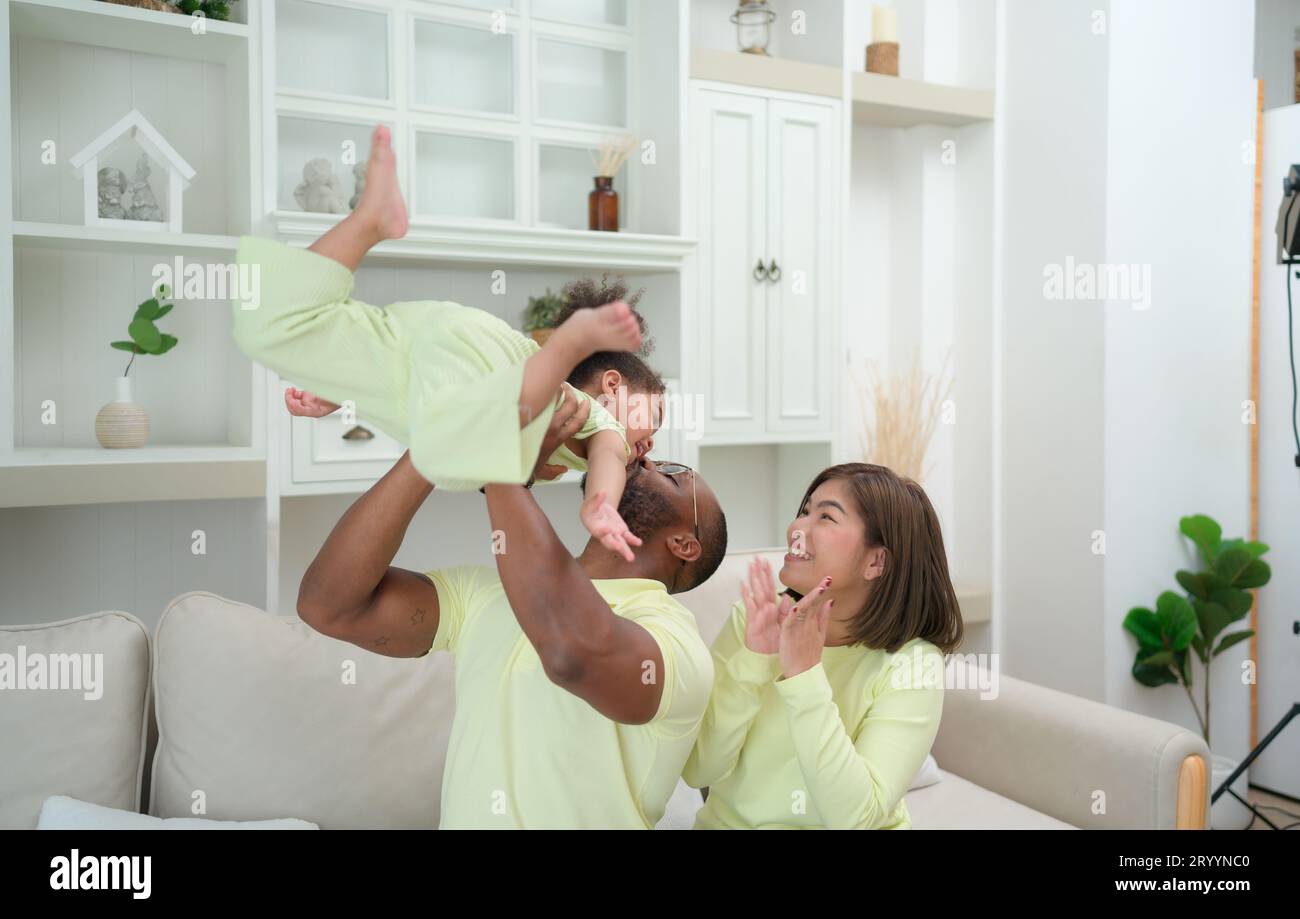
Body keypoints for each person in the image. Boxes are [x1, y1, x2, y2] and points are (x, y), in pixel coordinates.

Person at [296, 390, 730, 828]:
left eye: (674, 474)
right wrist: (431, 450)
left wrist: (502, 469)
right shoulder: (483, 595)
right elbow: (328, 606)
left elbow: (570, 652)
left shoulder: (676, 645)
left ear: (684, 545)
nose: (652, 461)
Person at [232, 125, 654, 560]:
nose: (650, 445)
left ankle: (368, 220)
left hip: (423, 348)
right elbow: (609, 457)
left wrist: (342, 386)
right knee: (456, 459)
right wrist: (598, 504)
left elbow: (413, 392)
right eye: (652, 416)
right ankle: (572, 339)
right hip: (485, 357)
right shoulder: (594, 419)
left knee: (265, 323)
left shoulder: (553, 459)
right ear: (610, 385)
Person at [682, 463, 964, 829]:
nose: (796, 528)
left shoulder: (911, 663)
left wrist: (805, 677)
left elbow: (856, 818)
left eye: (827, 517)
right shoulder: (752, 621)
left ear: (876, 561)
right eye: (804, 511)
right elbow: (700, 769)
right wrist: (752, 662)